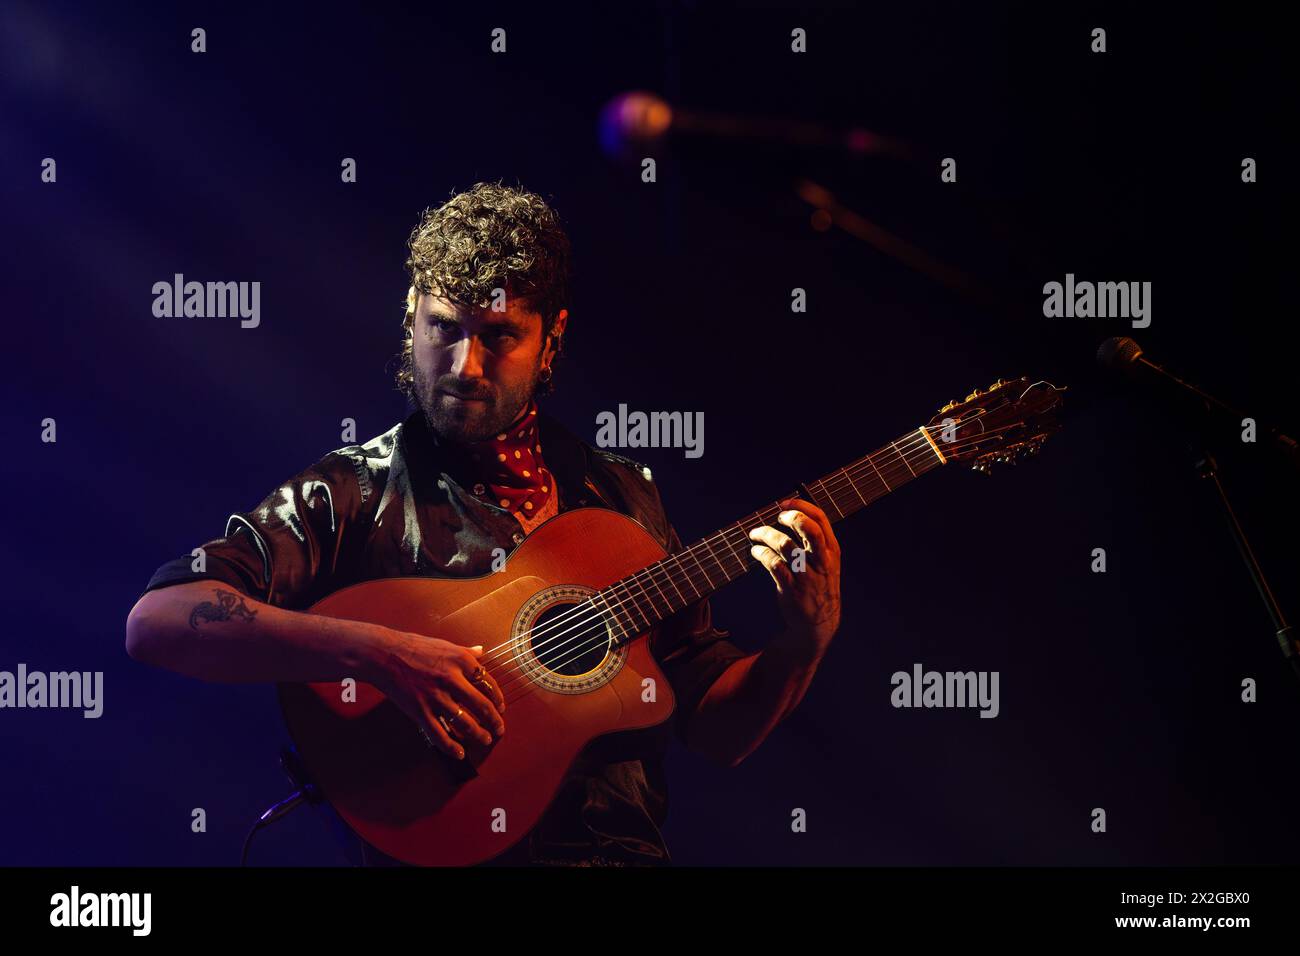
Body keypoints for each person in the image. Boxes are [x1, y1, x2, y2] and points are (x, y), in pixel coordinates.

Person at [125, 181, 843, 866]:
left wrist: (802, 645)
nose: (466, 365)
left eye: (498, 336)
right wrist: (378, 653)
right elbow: (158, 620)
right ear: (411, 316)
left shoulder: (622, 495)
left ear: (551, 338)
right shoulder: (352, 490)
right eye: (445, 327)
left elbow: (718, 729)